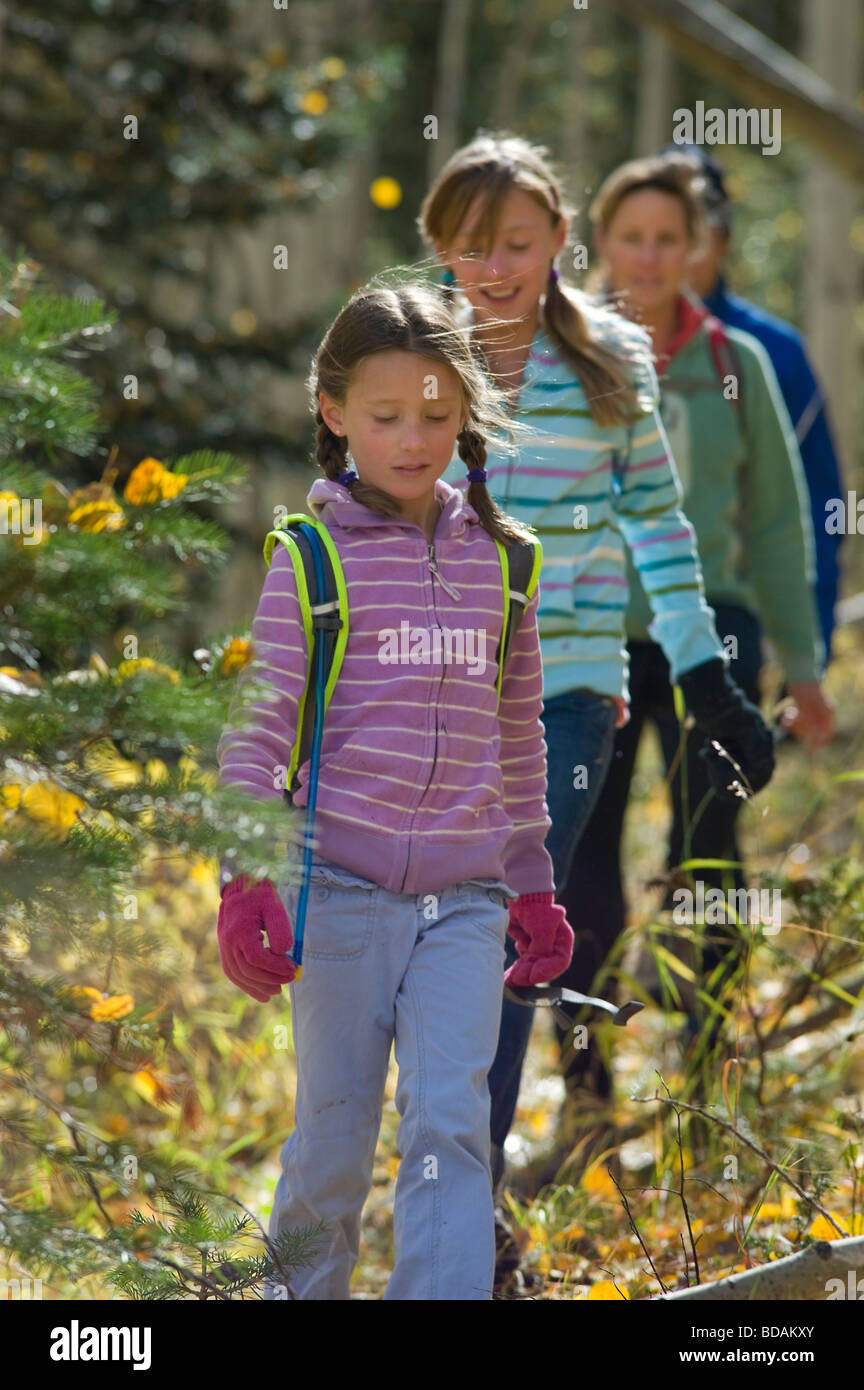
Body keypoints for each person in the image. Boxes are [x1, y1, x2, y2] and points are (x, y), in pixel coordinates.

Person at [417, 132, 775, 1187]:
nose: (495, 268)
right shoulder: (413, 360)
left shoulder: (613, 359)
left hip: (567, 691)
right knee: (434, 936)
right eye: (472, 247)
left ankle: (471, 1195)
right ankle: (435, 1165)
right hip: (428, 689)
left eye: (518, 243)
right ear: (440, 249)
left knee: (510, 925)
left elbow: (659, 527)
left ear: (561, 241)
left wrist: (706, 678)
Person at [215, 282, 576, 1301]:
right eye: (385, 418)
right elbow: (259, 726)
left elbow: (518, 734)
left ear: (467, 409)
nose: (413, 440)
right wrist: (245, 879)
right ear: (333, 412)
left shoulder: (505, 564)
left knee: (451, 1127)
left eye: (435, 414)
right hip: (339, 894)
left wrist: (533, 883)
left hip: (464, 905)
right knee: (332, 1140)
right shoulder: (312, 558)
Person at [557, 154, 835, 1116]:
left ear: (699, 248)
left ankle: (708, 1087)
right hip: (590, 638)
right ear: (602, 239)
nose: (647, 255)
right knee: (581, 861)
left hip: (714, 641)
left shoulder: (736, 366)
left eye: (668, 238)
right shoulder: (562, 353)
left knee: (711, 858)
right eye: (630, 236)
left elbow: (777, 526)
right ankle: (588, 1088)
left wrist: (804, 670)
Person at [669, 144, 844, 666]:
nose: (666, 256)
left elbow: (816, 506)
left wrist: (808, 643)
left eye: (688, 236)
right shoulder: (594, 347)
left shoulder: (773, 353)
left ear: (720, 240)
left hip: (738, 624)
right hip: (611, 637)